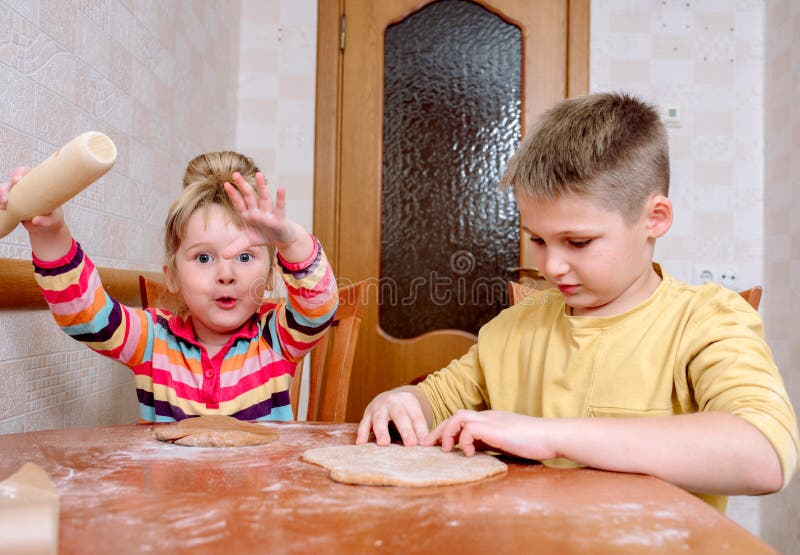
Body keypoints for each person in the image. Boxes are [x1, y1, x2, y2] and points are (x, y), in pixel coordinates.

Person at [356, 92, 799, 511]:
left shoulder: (705, 320)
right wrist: (402, 400)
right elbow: (435, 397)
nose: (552, 267)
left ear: (654, 219)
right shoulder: (518, 326)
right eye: (537, 240)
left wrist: (552, 436)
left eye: (578, 241)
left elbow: (764, 455)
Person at [0, 151, 338, 422]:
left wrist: (289, 240)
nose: (226, 274)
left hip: (261, 503)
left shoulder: (277, 338)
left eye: (246, 258)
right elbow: (86, 316)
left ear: (271, 275)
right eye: (203, 258)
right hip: (171, 504)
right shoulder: (151, 339)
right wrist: (49, 233)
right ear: (172, 276)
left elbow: (319, 304)